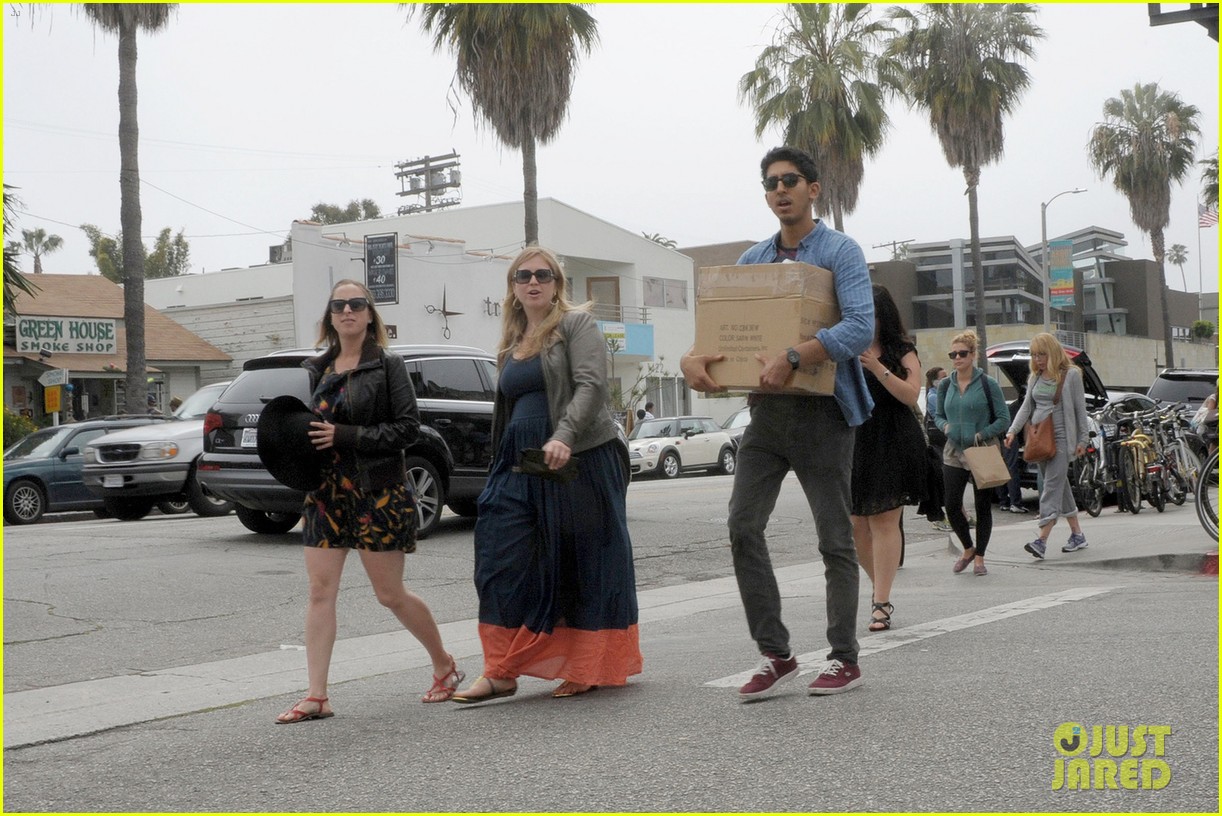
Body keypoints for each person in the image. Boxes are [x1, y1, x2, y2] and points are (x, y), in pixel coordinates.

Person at [681, 145, 873, 699]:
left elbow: (860, 327)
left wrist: (795, 355)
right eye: (771, 183)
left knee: (834, 539)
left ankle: (843, 657)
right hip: (766, 415)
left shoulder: (840, 251)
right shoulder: (754, 260)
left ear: (814, 189)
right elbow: (728, 333)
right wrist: (692, 361)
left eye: (790, 180)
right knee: (743, 526)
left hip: (824, 413)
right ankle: (776, 654)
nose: (780, 190)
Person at [451, 246, 642, 703]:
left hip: (579, 456)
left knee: (583, 560)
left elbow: (592, 384)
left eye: (543, 275)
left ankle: (587, 665)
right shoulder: (510, 343)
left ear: (557, 284)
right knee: (499, 555)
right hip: (520, 459)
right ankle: (501, 669)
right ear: (513, 288)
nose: (533, 282)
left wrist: (565, 435)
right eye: (524, 276)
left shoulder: (577, 324)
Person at [275, 279, 464, 723]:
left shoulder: (388, 366)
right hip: (325, 493)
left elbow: (408, 429)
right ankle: (317, 695)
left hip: (376, 491)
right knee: (320, 591)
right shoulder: (318, 368)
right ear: (330, 316)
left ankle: (444, 664)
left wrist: (345, 435)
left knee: (389, 594)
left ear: (369, 314)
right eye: (339, 305)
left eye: (356, 304)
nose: (347, 311)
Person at [851, 285, 926, 632]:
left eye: (870, 312)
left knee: (883, 521)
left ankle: (881, 602)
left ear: (883, 315)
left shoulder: (902, 350)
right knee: (856, 525)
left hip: (894, 438)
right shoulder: (847, 347)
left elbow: (911, 395)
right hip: (856, 439)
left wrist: (877, 366)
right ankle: (880, 585)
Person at [1005, 332, 1091, 559]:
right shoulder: (1035, 377)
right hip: (1039, 439)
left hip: (1062, 439)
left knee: (1051, 487)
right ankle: (1077, 535)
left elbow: (1080, 409)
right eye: (1034, 355)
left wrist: (1083, 439)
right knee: (1060, 486)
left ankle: (1041, 540)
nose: (1037, 359)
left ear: (1052, 352)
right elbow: (1026, 406)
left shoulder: (1071, 375)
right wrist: (1012, 430)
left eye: (1041, 354)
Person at [932, 330, 1009, 577]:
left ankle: (980, 558)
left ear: (973, 354)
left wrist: (982, 433)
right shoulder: (946, 384)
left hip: (981, 450)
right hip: (954, 450)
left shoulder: (988, 384)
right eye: (953, 354)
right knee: (951, 504)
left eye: (962, 353)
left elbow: (1003, 418)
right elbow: (938, 414)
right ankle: (968, 548)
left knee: (982, 506)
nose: (957, 358)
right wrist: (945, 426)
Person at [919, 366, 952, 532]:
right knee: (942, 478)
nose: (947, 379)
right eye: (943, 377)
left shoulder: (941, 394)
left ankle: (955, 515)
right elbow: (945, 414)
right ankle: (940, 517)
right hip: (937, 442)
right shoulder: (934, 396)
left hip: (941, 442)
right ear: (934, 381)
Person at [995, 395, 1027, 513]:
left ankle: (1004, 502)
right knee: (1011, 468)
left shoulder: (1013, 405)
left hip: (1000, 431)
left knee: (1002, 466)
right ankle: (1016, 503)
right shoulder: (1026, 405)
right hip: (1010, 434)